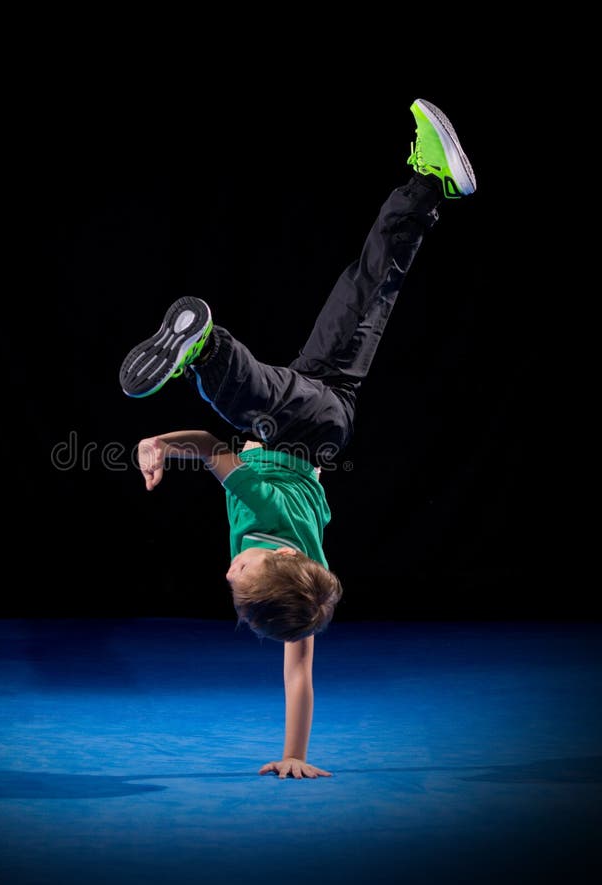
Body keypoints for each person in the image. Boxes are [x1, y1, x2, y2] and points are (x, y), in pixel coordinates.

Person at [119, 99, 476, 779]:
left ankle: (430, 183)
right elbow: (209, 441)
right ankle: (206, 350)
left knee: (368, 293)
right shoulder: (261, 509)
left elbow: (299, 676)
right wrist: (161, 442)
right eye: (240, 578)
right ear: (273, 561)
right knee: (256, 400)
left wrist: (294, 754)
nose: (228, 572)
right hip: (302, 428)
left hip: (330, 413)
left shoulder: (301, 583)